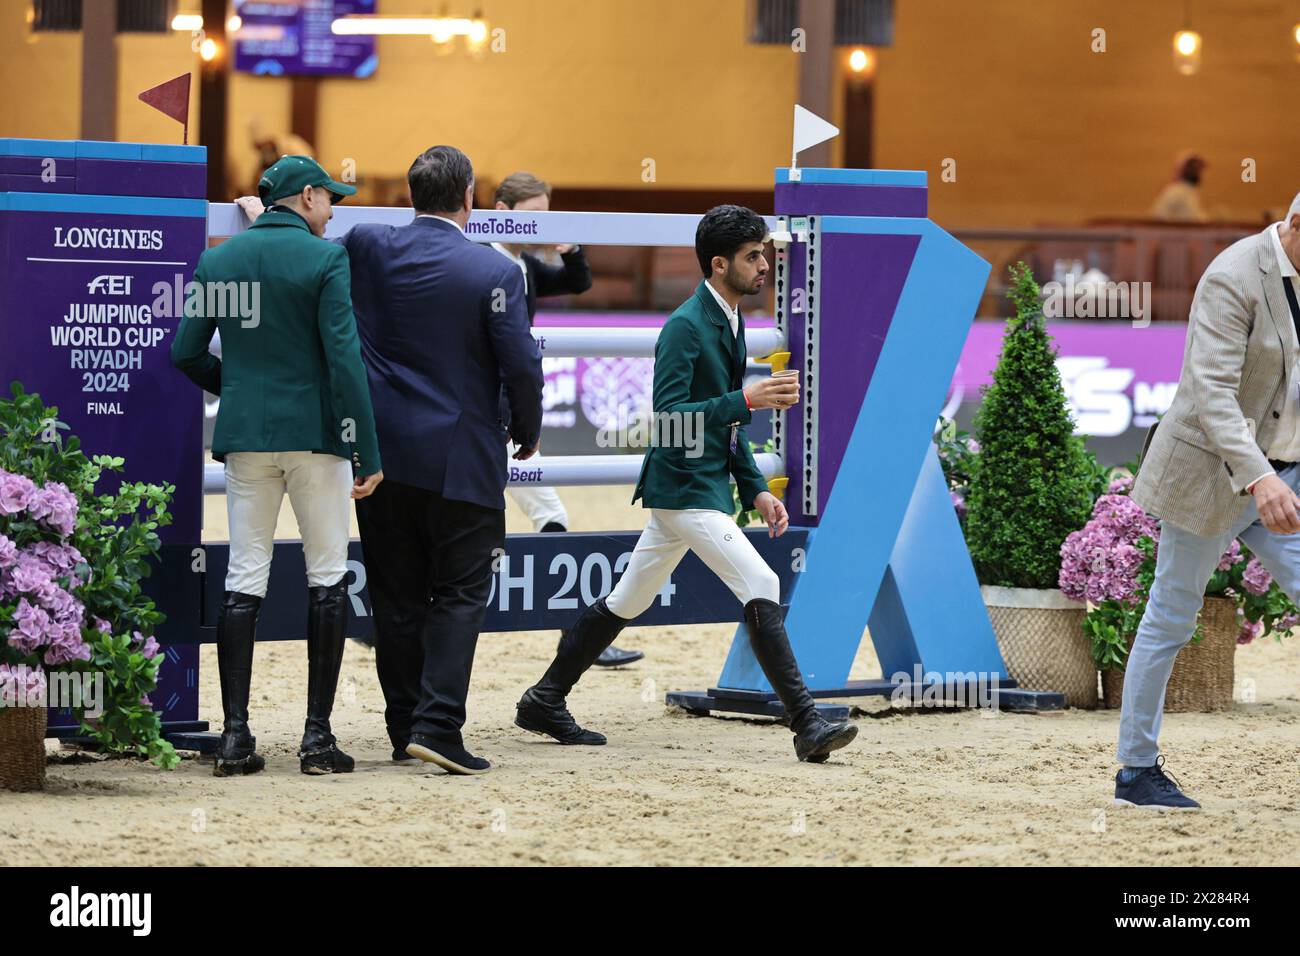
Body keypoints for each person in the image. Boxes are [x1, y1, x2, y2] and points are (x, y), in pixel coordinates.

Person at [514, 205, 859, 763]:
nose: (765, 265)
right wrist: (745, 400)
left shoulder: (732, 320)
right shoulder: (684, 327)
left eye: (765, 254)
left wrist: (756, 489)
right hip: (683, 487)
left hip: (699, 486)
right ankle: (806, 722)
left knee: (629, 597)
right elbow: (669, 415)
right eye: (753, 257)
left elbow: (723, 426)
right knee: (761, 582)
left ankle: (543, 698)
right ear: (719, 264)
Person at [172, 155, 384, 777]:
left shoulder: (220, 259)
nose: (334, 209)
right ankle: (316, 738)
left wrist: (233, 387)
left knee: (244, 575)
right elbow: (345, 360)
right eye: (330, 198)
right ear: (309, 196)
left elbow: (186, 353)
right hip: (316, 436)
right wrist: (366, 449)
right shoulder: (325, 259)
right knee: (327, 576)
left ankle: (236, 737)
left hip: (247, 438)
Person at [342, 146, 544, 775]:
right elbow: (520, 365)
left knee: (396, 596)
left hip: (380, 458)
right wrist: (528, 431)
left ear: (410, 196)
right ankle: (438, 725)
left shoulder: (368, 244)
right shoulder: (494, 271)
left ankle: (404, 724)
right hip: (461, 460)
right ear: (469, 199)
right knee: (460, 593)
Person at [1122, 192, 1300, 808]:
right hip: (1212, 472)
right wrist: (1259, 477)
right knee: (1171, 616)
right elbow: (1212, 396)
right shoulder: (1232, 275)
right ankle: (1135, 773)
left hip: (1288, 472)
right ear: (1295, 226)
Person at [492, 171, 643, 668]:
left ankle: (575, 637)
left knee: (549, 515)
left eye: (547, 213)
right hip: (484, 416)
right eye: (533, 214)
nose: (542, 223)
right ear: (501, 209)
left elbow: (578, 280)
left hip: (505, 416)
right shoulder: (484, 262)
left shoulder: (526, 266)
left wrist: (569, 245)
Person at [1150, 151, 1209, 223]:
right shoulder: (1175, 191)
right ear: (1182, 170)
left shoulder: (1190, 192)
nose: (1197, 173)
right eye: (1193, 169)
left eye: (1198, 170)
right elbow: (1158, 217)